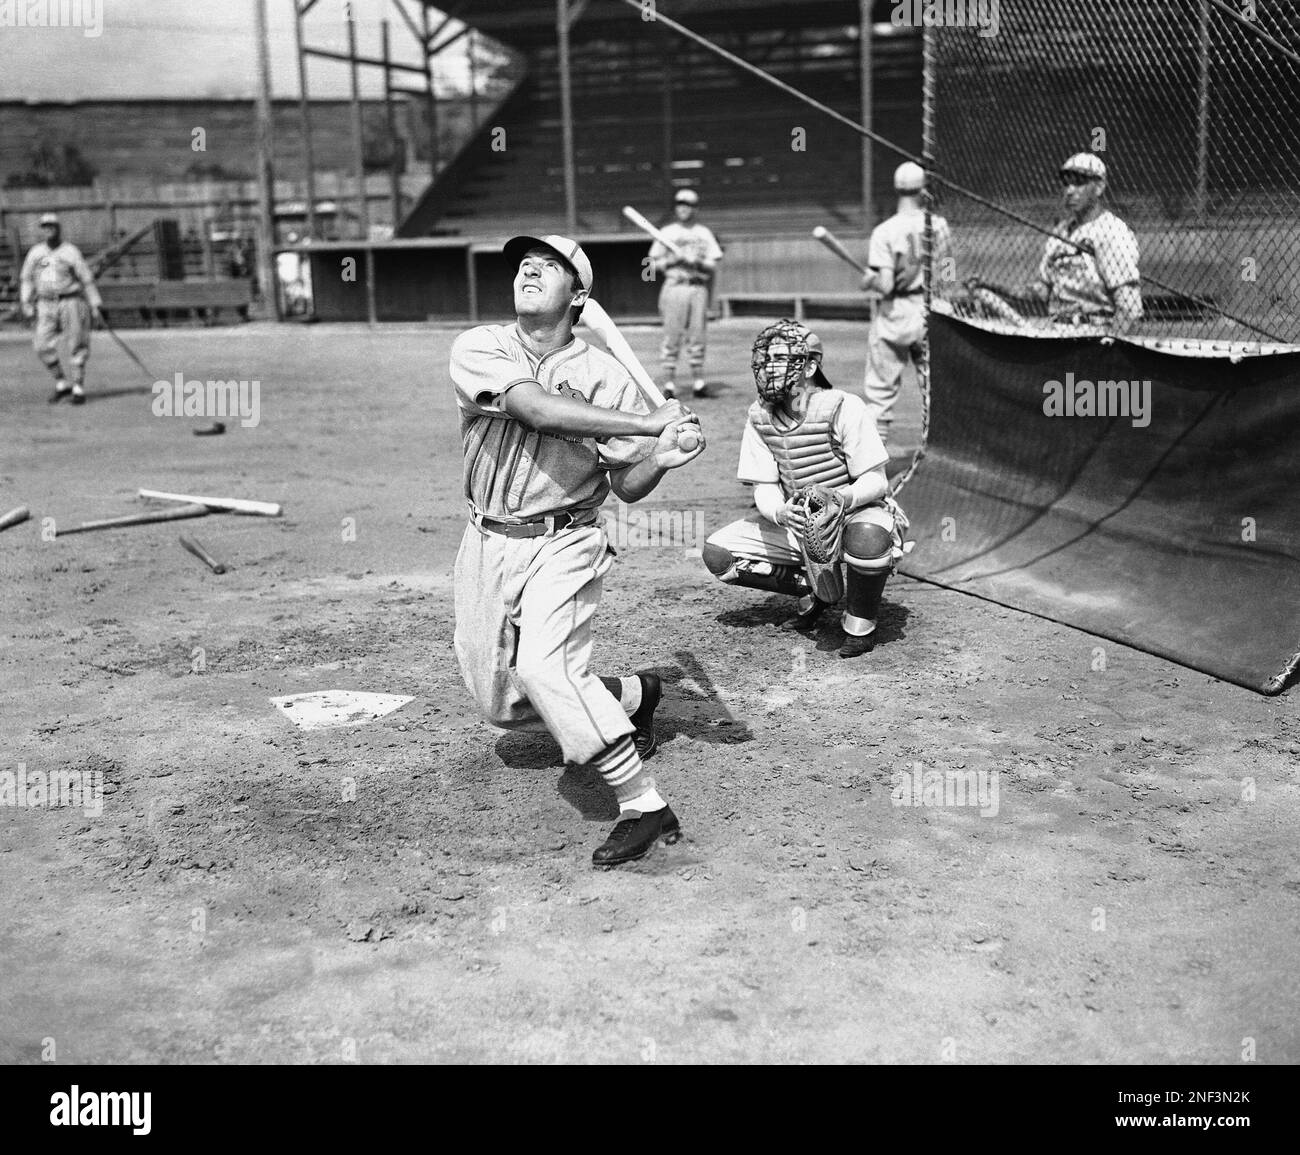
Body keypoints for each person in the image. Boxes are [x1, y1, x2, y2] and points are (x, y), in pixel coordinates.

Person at [451, 232, 706, 867]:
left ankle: (645, 807)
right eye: (524, 266)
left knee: (545, 670)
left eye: (549, 267)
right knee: (502, 706)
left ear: (579, 295)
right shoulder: (479, 346)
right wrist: (652, 424)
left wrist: (663, 460)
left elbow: (626, 484)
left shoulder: (606, 376)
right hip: (484, 539)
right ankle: (632, 696)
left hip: (566, 540)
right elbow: (534, 409)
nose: (529, 272)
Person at [702, 320, 908, 659]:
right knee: (720, 555)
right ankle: (816, 587)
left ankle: (860, 620)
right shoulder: (760, 416)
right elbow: (765, 488)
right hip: (800, 522)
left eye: (781, 359)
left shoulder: (843, 406)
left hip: (853, 515)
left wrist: (843, 499)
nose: (770, 368)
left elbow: (876, 481)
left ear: (810, 366)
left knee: (869, 536)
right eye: (767, 359)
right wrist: (782, 513)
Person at [861, 161, 950, 449]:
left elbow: (885, 285)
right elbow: (948, 276)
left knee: (880, 394)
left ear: (897, 189)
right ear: (924, 190)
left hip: (895, 315)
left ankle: (872, 467)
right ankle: (938, 454)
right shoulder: (939, 225)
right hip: (930, 310)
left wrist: (869, 281)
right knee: (933, 391)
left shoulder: (885, 231)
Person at [1021, 152, 1142, 331]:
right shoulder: (1060, 232)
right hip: (1057, 329)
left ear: (1099, 187)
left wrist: (1108, 347)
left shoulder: (1112, 231)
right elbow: (1041, 291)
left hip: (1094, 330)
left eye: (1079, 183)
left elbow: (1129, 308)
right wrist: (994, 288)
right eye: (1066, 183)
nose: (1069, 191)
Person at [19, 212, 103, 405]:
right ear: (42, 229)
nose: (49, 229)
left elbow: (86, 278)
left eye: (52, 226)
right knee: (41, 345)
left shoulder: (70, 251)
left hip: (70, 300)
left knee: (77, 342)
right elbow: (26, 279)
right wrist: (25, 302)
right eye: (45, 226)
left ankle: (78, 387)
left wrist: (95, 304)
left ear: (58, 228)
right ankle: (61, 382)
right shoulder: (35, 253)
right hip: (45, 302)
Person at [649, 188, 723, 400]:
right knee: (672, 336)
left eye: (688, 205)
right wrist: (674, 260)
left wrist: (697, 261)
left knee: (697, 336)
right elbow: (648, 267)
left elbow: (714, 264)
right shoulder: (667, 232)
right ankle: (669, 386)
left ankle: (699, 384)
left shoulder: (704, 233)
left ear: (695, 209)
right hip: (675, 286)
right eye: (680, 204)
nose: (683, 208)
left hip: (698, 287)